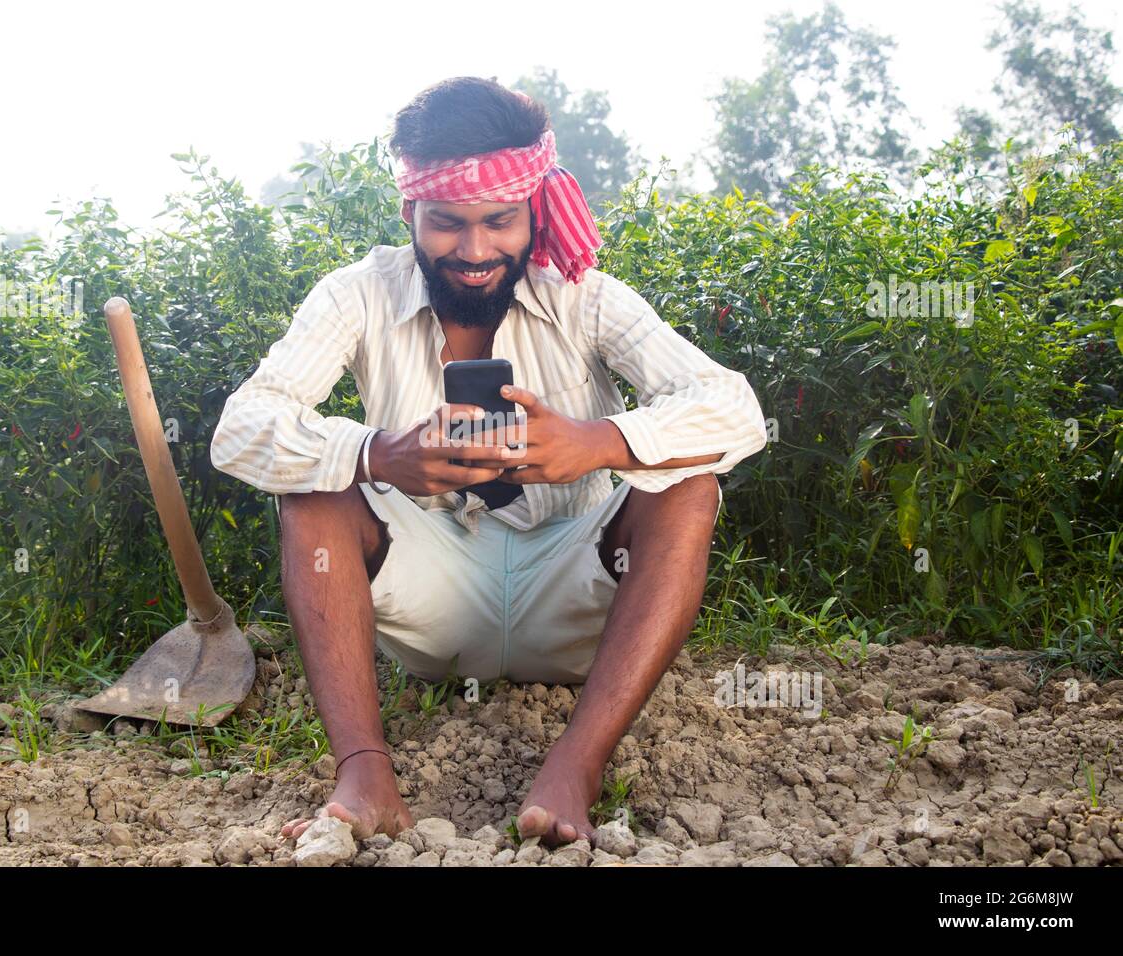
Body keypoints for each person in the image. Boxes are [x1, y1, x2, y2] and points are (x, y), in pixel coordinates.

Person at [210, 76, 769, 847]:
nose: (475, 251)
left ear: (534, 209)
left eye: (500, 221)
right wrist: (379, 455)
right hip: (434, 600)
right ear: (410, 211)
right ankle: (364, 774)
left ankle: (576, 766)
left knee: (688, 484)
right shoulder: (356, 296)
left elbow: (734, 407)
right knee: (315, 487)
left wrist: (597, 443)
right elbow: (241, 428)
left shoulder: (585, 296)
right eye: (446, 223)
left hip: (573, 588)